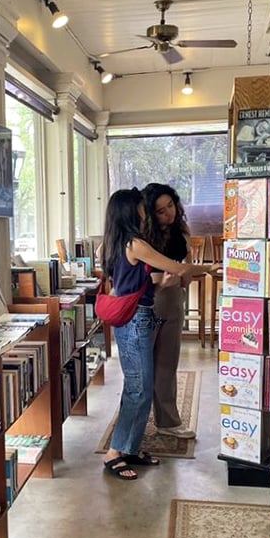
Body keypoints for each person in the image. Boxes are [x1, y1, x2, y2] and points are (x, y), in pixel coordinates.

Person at [100, 187, 200, 481]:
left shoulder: (118, 242)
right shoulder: (135, 244)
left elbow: (133, 284)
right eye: (141, 207)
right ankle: (114, 452)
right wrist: (215, 267)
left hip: (139, 317)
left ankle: (129, 448)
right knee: (138, 388)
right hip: (135, 322)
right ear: (131, 212)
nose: (145, 210)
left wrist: (165, 284)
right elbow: (176, 267)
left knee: (140, 388)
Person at [143, 182, 199, 439]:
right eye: (161, 210)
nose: (169, 213)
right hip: (148, 299)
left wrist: (185, 275)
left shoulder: (180, 229)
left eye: (171, 206)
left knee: (167, 362)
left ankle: (168, 421)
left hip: (175, 296)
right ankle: (134, 425)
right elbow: (132, 276)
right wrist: (164, 278)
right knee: (141, 368)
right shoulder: (142, 235)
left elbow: (186, 261)